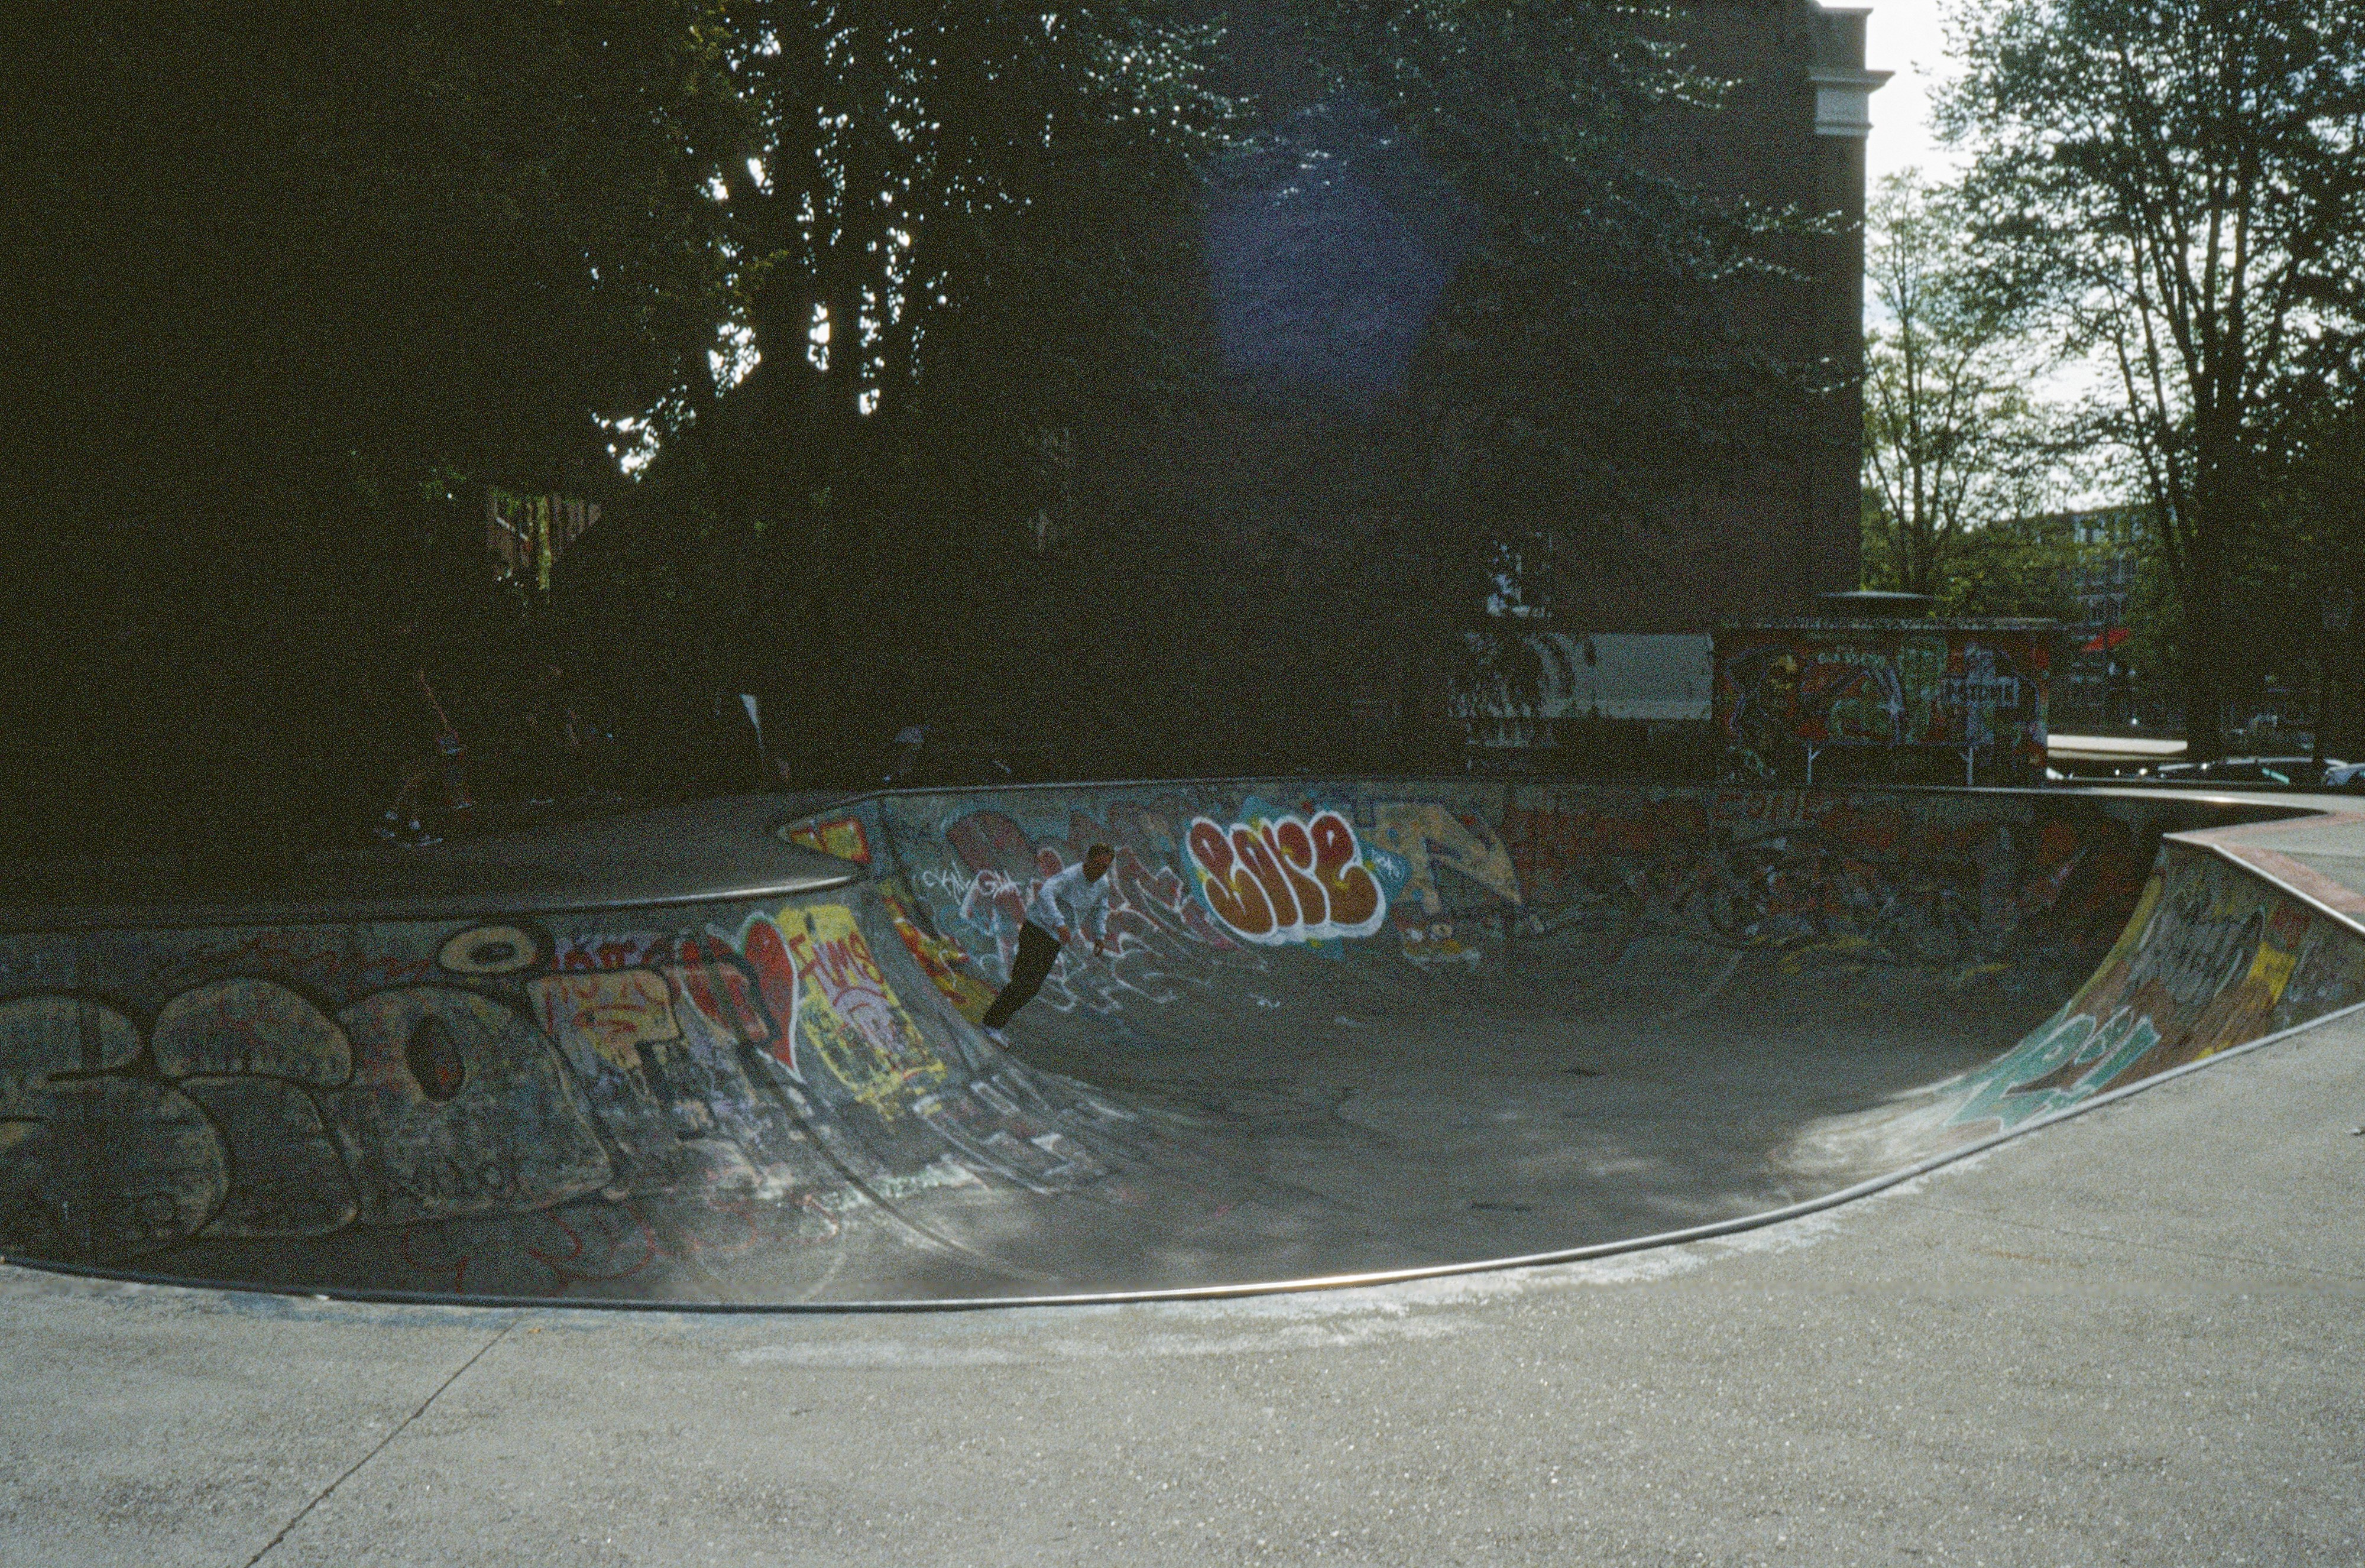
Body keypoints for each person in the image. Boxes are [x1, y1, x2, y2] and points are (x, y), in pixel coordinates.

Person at [980, 844, 1116, 1039]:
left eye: (1105, 867)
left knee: (1029, 987)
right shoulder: (1071, 876)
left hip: (1053, 940)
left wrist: (1100, 935)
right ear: (1088, 860)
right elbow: (1046, 893)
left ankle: (994, 1022)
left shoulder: (1102, 885)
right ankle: (992, 1024)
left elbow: (1101, 909)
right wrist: (1059, 923)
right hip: (1037, 928)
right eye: (1097, 865)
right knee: (1024, 983)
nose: (1099, 871)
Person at [375, 619, 474, 847]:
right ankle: (390, 818)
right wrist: (443, 720)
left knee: (413, 772)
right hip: (415, 719)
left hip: (400, 718)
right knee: (424, 769)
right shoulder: (409, 651)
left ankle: (415, 826)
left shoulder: (390, 656)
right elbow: (424, 688)